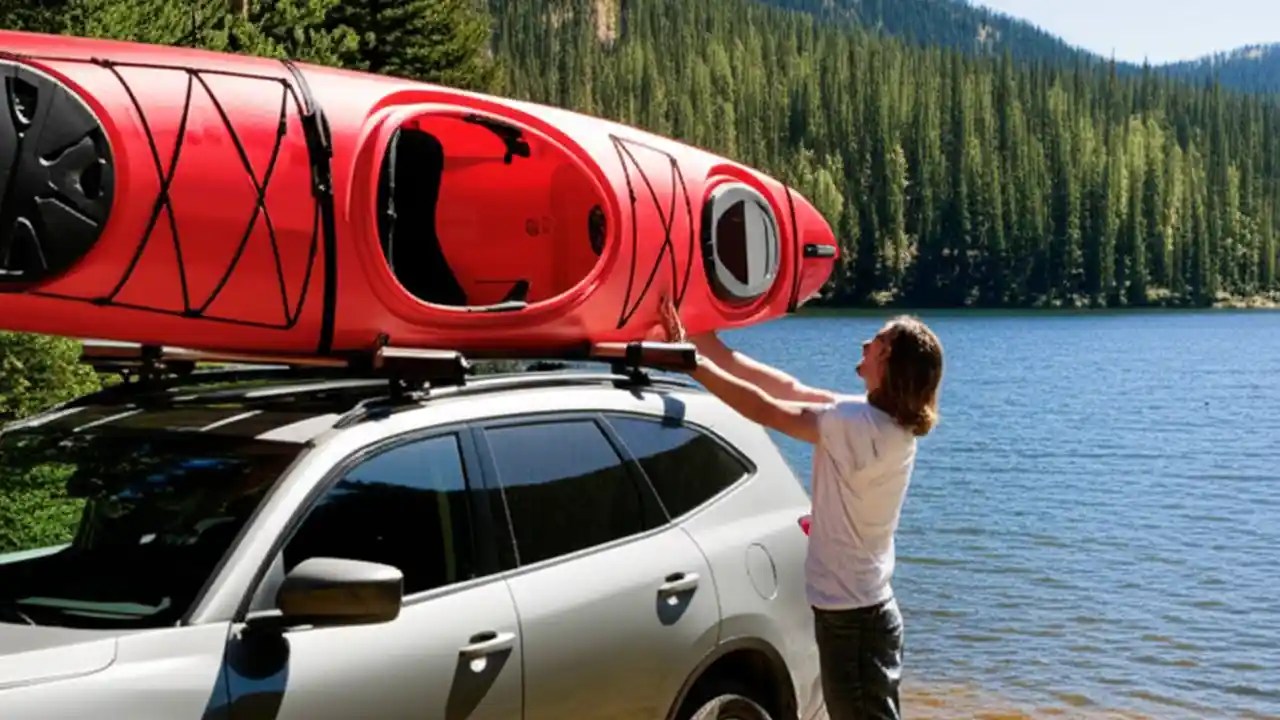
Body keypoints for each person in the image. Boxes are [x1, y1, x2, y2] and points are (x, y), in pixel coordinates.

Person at [656, 297, 944, 720]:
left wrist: (694, 363)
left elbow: (767, 409)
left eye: (877, 341)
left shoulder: (855, 426)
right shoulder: (886, 425)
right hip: (865, 615)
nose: (865, 344)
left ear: (889, 365)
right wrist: (707, 346)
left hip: (853, 622)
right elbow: (788, 390)